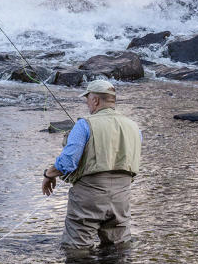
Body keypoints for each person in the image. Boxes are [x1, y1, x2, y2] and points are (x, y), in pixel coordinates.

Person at [41, 79, 141, 249]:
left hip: (89, 196)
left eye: (87, 99)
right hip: (121, 197)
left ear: (95, 100)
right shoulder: (134, 127)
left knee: (77, 248)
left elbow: (68, 162)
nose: (87, 103)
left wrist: (49, 174)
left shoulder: (84, 125)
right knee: (118, 248)